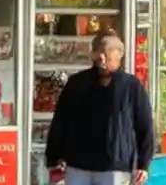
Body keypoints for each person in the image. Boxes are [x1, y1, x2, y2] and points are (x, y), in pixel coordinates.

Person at [45, 30, 154, 185]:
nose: (102, 58)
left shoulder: (131, 87)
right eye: (98, 52)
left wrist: (144, 164)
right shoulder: (77, 84)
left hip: (115, 167)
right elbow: (61, 120)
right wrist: (54, 156)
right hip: (78, 165)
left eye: (108, 52)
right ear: (92, 54)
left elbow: (145, 126)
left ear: (119, 55)